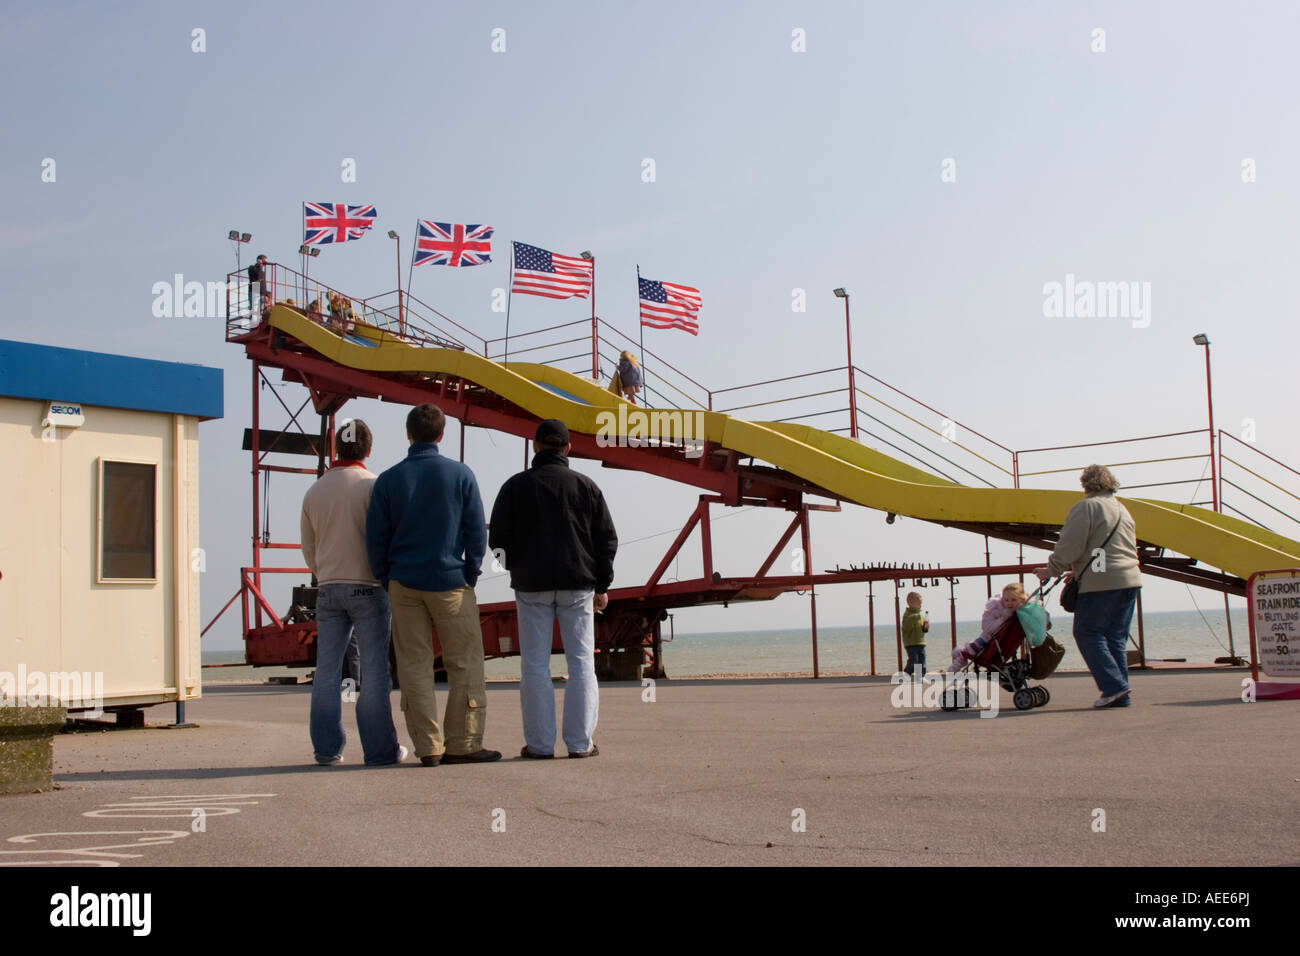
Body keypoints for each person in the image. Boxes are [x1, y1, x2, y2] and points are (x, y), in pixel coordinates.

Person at [366, 403, 499, 765]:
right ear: (441, 435)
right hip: (450, 580)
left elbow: (376, 537)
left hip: (404, 582)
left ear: (408, 434)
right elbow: (476, 531)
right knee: (465, 662)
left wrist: (386, 576)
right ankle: (464, 742)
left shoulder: (389, 480)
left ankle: (428, 747)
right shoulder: (460, 474)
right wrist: (470, 571)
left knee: (413, 664)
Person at [489, 419, 618, 759]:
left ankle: (540, 745)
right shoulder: (586, 486)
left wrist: (513, 566)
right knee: (581, 663)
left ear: (534, 447)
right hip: (578, 584)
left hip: (531, 585)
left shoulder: (514, 487)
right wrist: (602, 584)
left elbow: (498, 540)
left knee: (534, 665)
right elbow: (606, 539)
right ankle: (579, 743)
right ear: (568, 448)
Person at [299, 418, 405, 766]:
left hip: (328, 588)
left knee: (327, 670)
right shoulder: (374, 486)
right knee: (375, 671)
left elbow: (308, 548)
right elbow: (388, 539)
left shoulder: (315, 491)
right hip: (369, 586)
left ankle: (327, 749)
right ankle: (379, 750)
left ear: (336, 448)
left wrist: (325, 573)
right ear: (369, 449)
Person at [1035, 464, 1142, 708]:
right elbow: (1112, 548)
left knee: (1087, 632)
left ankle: (1115, 687)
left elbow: (1070, 544)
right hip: (1130, 579)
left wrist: (1051, 569)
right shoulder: (1122, 509)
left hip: (1101, 584)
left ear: (1085, 484)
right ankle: (1119, 692)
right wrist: (1083, 568)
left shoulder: (1086, 508)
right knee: (1115, 637)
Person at [949, 582, 1038, 673]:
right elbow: (987, 627)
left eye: (1013, 600)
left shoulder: (1019, 614)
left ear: (1021, 599)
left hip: (994, 644)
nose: (1009, 603)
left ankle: (957, 662)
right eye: (1006, 600)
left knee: (971, 650)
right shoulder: (999, 610)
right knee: (971, 650)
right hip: (987, 639)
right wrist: (1003, 618)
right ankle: (957, 664)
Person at [900, 591, 930, 678]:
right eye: (919, 604)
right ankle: (906, 673)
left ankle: (920, 676)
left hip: (920, 642)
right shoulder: (908, 614)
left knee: (922, 660)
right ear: (912, 604)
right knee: (914, 660)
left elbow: (923, 629)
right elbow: (906, 626)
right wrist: (916, 616)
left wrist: (925, 627)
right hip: (911, 643)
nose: (920, 605)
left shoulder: (920, 615)